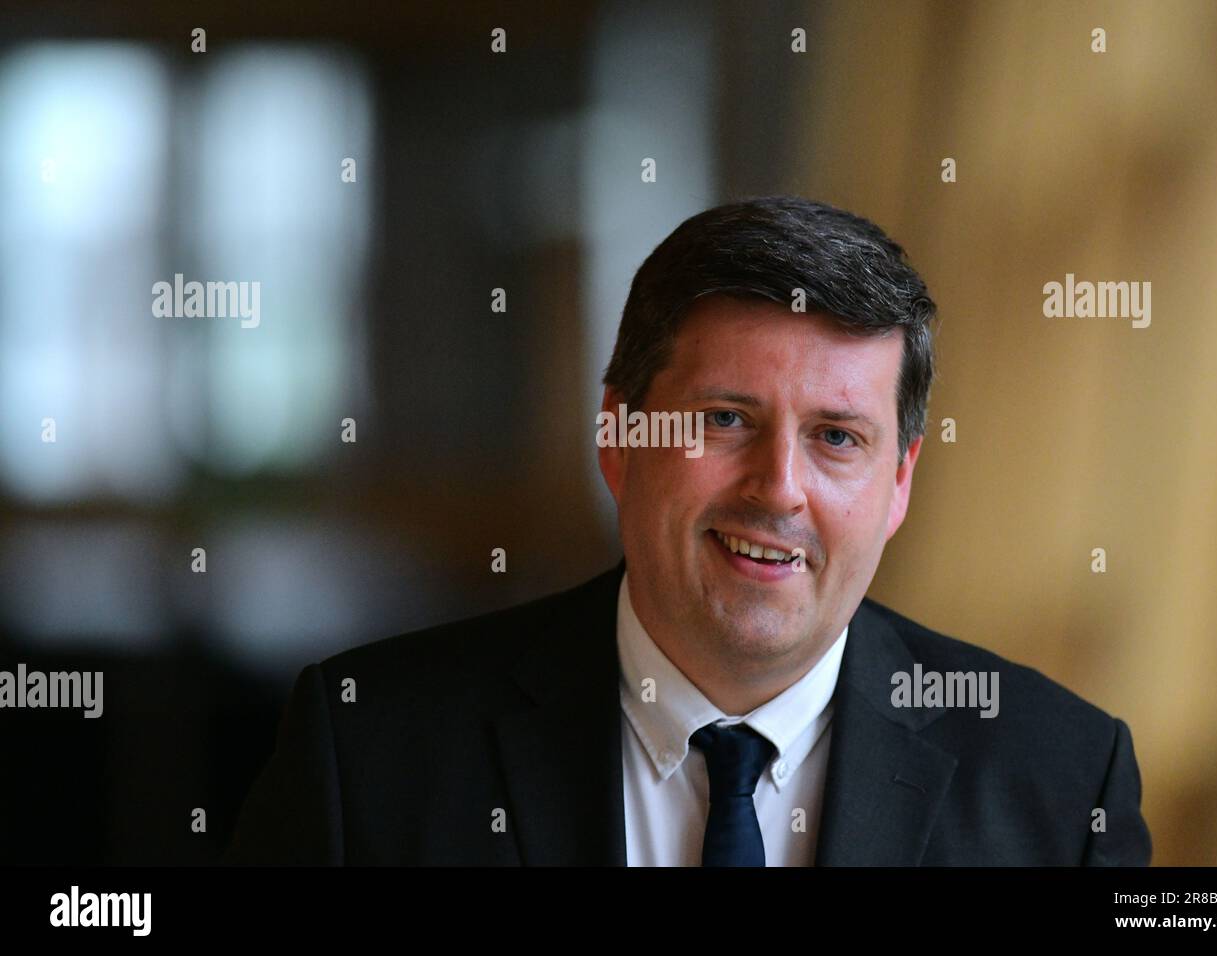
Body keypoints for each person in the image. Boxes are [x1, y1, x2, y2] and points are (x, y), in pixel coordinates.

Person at [224, 195, 1152, 866]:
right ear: (620, 436)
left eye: (837, 438)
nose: (779, 490)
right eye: (726, 420)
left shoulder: (1064, 786)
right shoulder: (370, 752)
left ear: (900, 480)